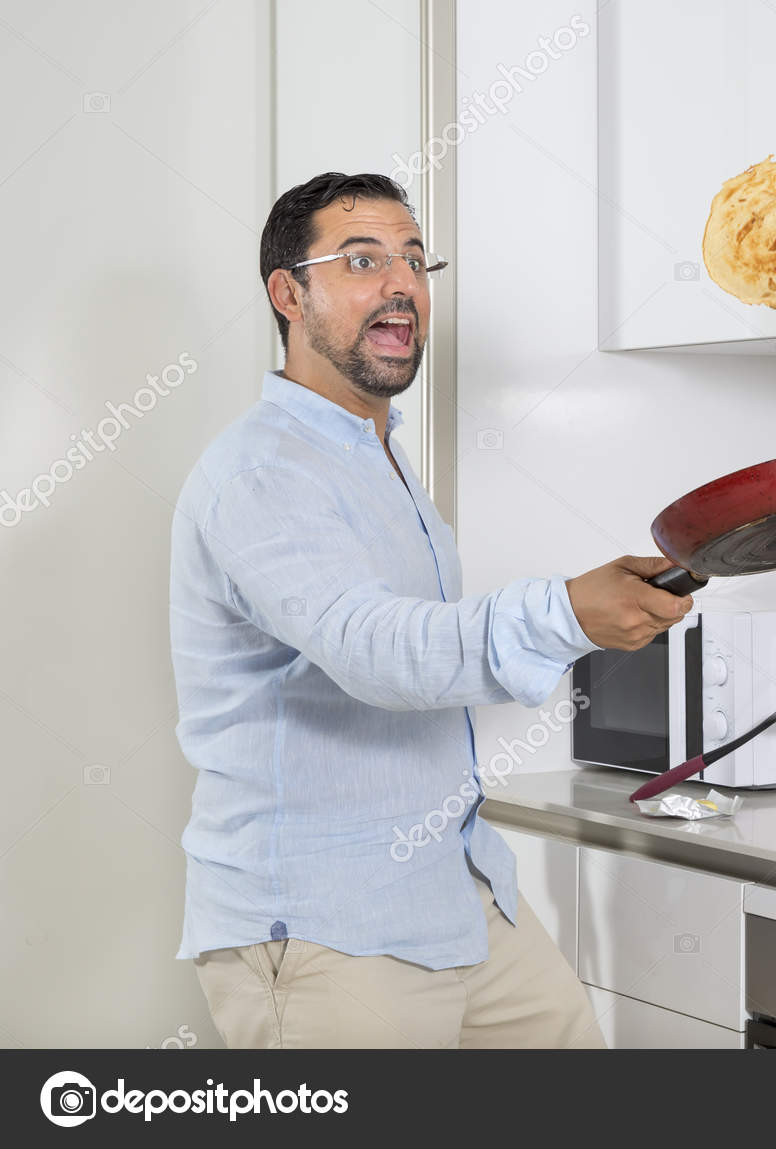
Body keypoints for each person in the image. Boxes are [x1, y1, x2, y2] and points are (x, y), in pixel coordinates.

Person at [170, 171, 690, 1048]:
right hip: (324, 927)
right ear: (287, 293)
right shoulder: (261, 473)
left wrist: (595, 607)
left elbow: (425, 652)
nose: (404, 283)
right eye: (364, 258)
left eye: (415, 259)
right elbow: (373, 650)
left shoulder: (380, 460)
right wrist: (565, 613)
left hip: (458, 891)